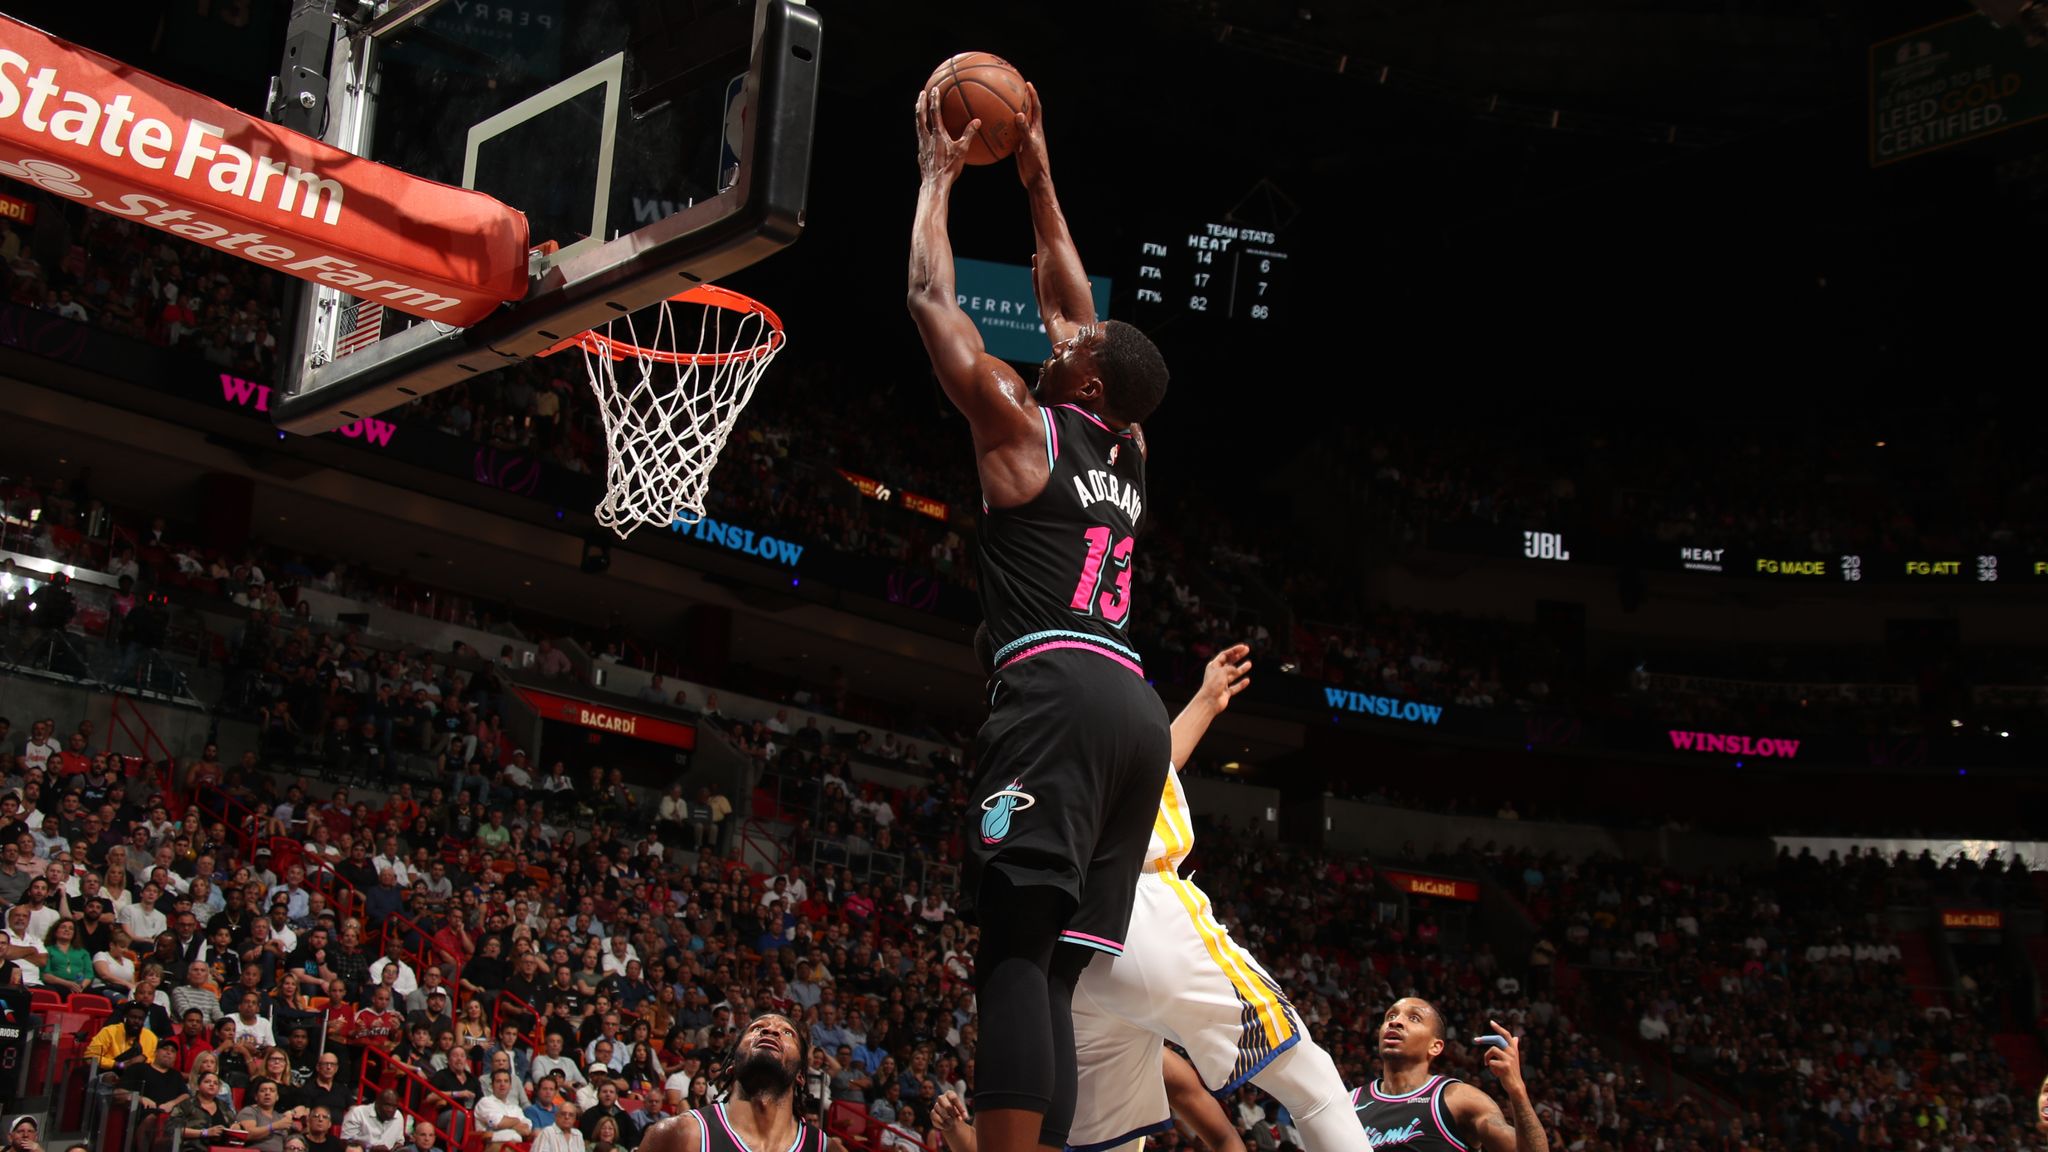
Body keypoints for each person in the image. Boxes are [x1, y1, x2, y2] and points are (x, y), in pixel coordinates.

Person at [907, 78, 1173, 1152]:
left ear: (1088, 383)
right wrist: (1036, 173)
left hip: (1056, 692)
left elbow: (932, 302)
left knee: (1014, 958)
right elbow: (1071, 305)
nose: (1060, 331)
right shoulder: (1132, 450)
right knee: (1055, 979)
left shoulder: (1026, 427)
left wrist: (934, 182)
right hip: (1132, 711)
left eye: (1075, 342)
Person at [1354, 1000, 1548, 1152]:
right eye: (1390, 1016)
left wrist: (1517, 1090)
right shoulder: (1350, 1103)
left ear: (1435, 1046)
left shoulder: (1459, 1099)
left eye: (1414, 1018)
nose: (1395, 1021)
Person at [639, 1013, 828, 1152]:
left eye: (787, 1032)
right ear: (731, 1065)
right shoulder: (679, 1135)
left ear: (800, 1075)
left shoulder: (823, 1148)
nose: (770, 1030)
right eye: (757, 1028)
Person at [170, 1070, 236, 1145]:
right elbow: (174, 1129)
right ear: (198, 1086)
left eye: (215, 1083)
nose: (212, 1084)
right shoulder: (186, 1104)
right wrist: (205, 1132)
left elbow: (233, 1124)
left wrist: (236, 1127)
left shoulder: (224, 1106)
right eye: (207, 1082)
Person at [342, 1089, 409, 1152]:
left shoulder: (398, 1116)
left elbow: (399, 1141)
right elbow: (345, 1141)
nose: (391, 1110)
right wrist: (370, 1148)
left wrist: (398, 1147)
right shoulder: (358, 1113)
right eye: (387, 1105)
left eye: (394, 1106)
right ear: (377, 1103)